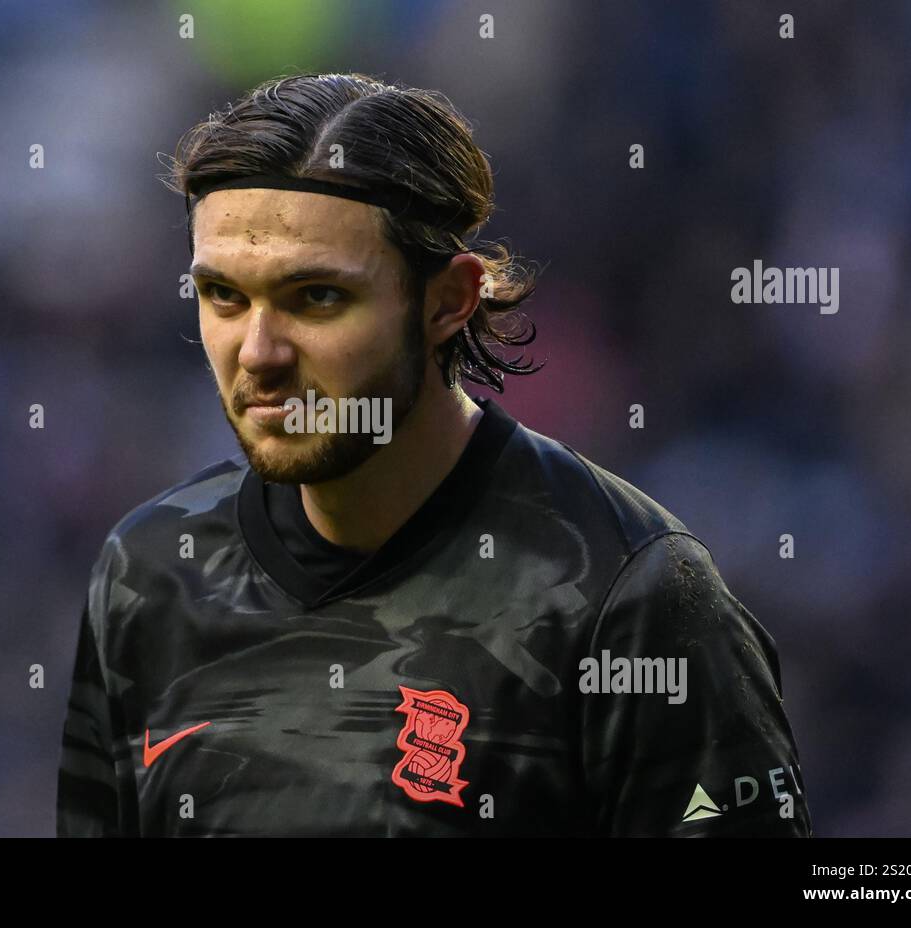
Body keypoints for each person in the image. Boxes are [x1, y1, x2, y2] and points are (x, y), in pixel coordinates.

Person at [56, 72, 813, 837]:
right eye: (223, 294)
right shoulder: (148, 576)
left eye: (317, 297)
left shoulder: (628, 595)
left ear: (450, 300)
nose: (259, 352)